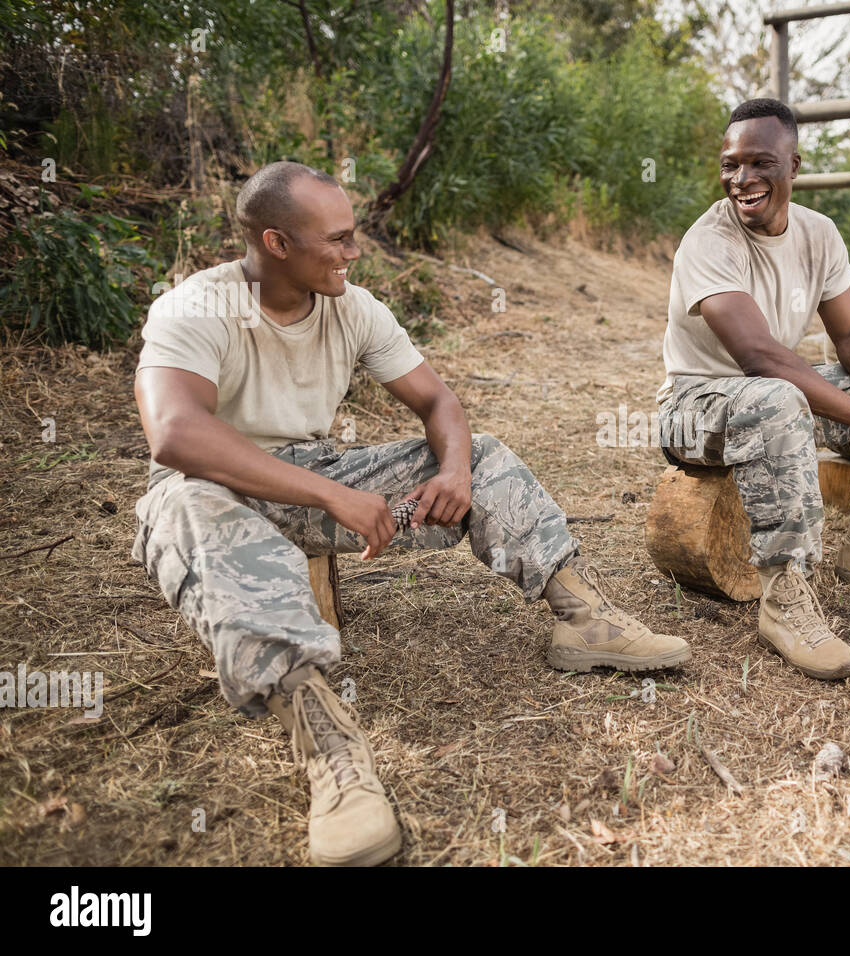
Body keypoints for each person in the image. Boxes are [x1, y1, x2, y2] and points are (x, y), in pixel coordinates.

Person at [131, 161, 690, 866]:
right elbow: (175, 434)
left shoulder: (352, 306)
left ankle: (584, 617)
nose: (354, 250)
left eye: (352, 234)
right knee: (187, 507)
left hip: (314, 473)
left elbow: (437, 402)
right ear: (276, 242)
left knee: (482, 455)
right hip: (209, 490)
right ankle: (330, 750)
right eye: (336, 239)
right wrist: (333, 496)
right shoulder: (197, 306)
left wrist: (453, 470)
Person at [657, 99, 850, 684]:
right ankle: (784, 601)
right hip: (694, 408)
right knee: (778, 396)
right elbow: (760, 357)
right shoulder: (708, 241)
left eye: (760, 163)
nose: (742, 179)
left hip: (772, 398)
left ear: (793, 165)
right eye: (730, 164)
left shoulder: (819, 233)